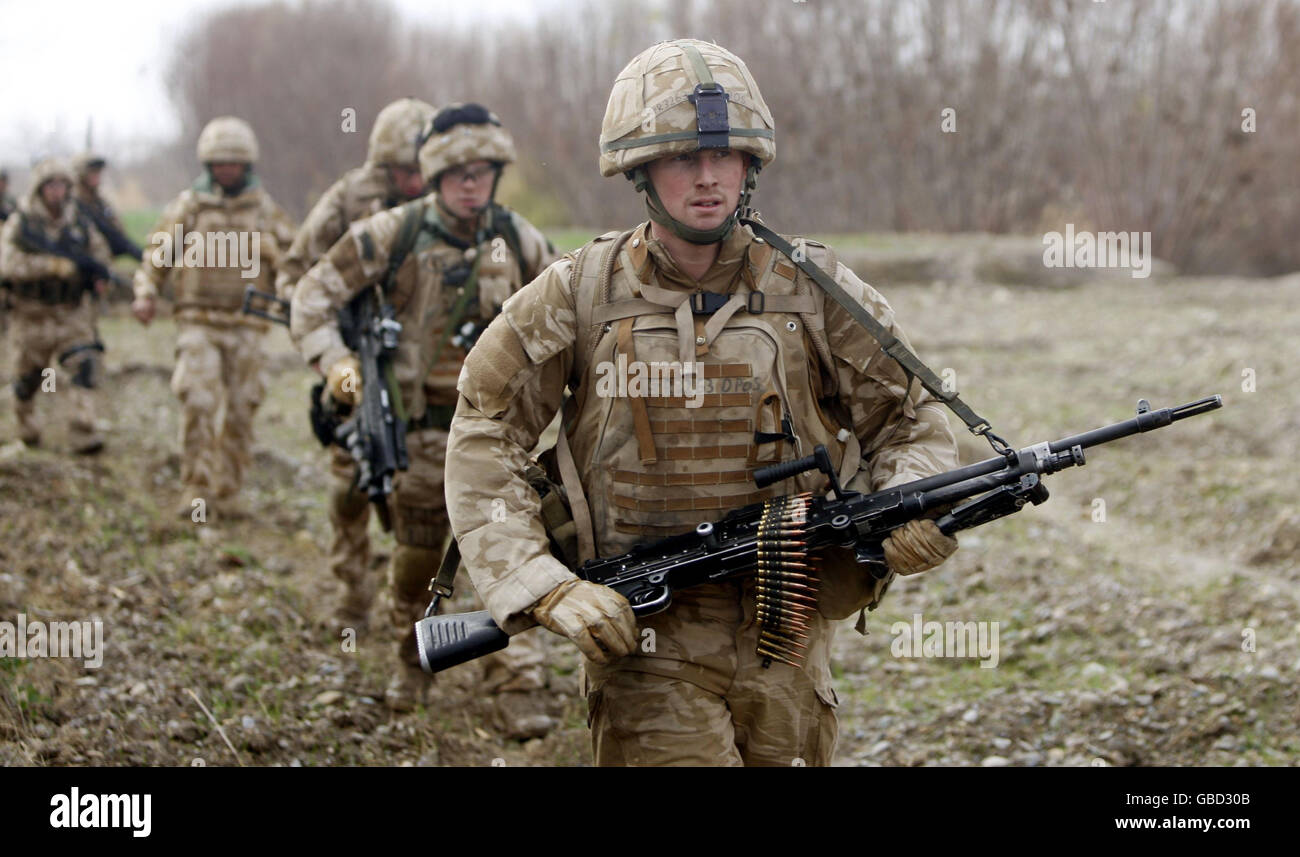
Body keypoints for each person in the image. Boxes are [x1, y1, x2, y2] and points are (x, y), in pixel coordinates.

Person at [443, 40, 962, 766]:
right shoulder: (580, 292)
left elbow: (910, 417)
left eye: (727, 156)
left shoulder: (815, 288)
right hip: (647, 640)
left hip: (788, 629)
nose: (709, 177)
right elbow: (484, 427)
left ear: (752, 164)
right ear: (641, 168)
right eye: (684, 157)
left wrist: (908, 502)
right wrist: (543, 585)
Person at [290, 104, 558, 731]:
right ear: (434, 174)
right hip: (420, 433)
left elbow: (567, 319)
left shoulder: (518, 239)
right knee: (416, 558)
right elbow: (311, 295)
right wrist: (334, 364)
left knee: (511, 555)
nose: (472, 183)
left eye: (483, 171)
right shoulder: (391, 234)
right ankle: (411, 662)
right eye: (458, 172)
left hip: (497, 434)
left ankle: (515, 684)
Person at [274, 97, 435, 635]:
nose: (414, 181)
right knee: (348, 486)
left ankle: (416, 611)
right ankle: (352, 594)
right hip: (352, 361)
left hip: (420, 371)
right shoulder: (347, 198)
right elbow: (296, 272)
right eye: (403, 171)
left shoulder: (449, 206)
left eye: (421, 169)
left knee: (424, 495)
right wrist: (330, 347)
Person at [131, 116, 296, 520]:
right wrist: (146, 292)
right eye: (218, 162)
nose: (226, 169)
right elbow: (159, 254)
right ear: (208, 164)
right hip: (199, 322)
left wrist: (296, 298)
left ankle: (228, 490)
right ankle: (197, 490)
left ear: (246, 165)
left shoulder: (264, 211)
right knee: (199, 402)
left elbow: (293, 260)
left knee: (242, 408)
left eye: (233, 162)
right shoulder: (191, 206)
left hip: (247, 326)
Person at [1, 158, 111, 453]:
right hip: (31, 315)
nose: (56, 191)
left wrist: (97, 275)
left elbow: (99, 253)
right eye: (50, 185)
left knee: (84, 364)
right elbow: (7, 263)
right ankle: (28, 430)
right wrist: (50, 265)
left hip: (70, 313)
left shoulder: (79, 222)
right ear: (40, 188)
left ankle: (83, 431)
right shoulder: (22, 223)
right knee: (28, 380)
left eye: (62, 184)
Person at [71, 151, 143, 263]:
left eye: (98, 171)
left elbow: (118, 235)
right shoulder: (72, 204)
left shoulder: (100, 202)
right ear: (80, 174)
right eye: (92, 171)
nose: (97, 175)